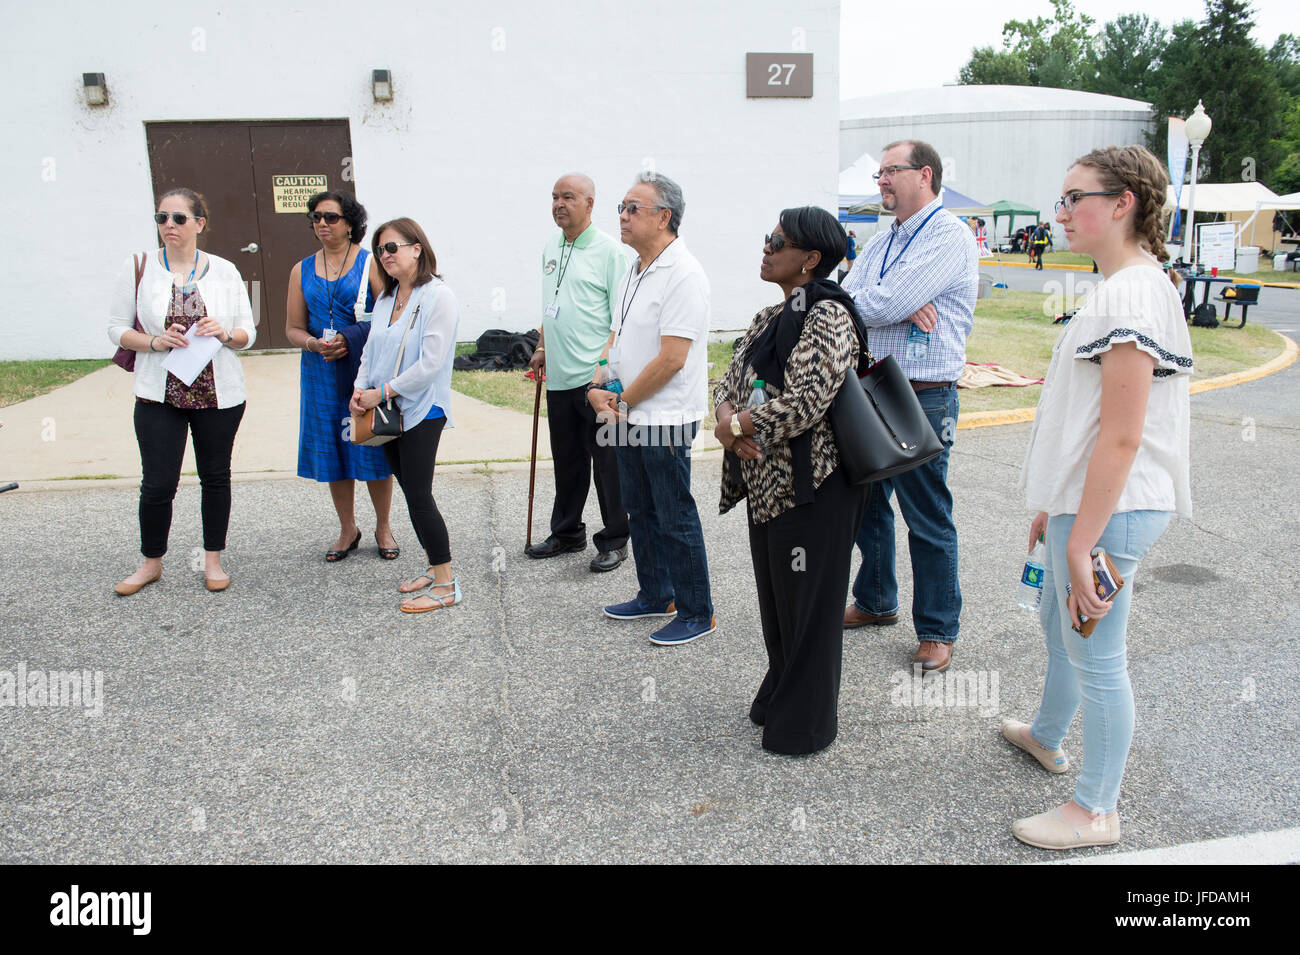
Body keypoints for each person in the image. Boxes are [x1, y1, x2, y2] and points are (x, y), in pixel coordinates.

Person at [1005, 145, 1192, 850]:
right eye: (1061, 198)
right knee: (1061, 625)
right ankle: (1048, 734)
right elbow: (1089, 424)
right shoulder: (1123, 284)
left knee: (1096, 651)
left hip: (1114, 509)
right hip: (1090, 503)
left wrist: (1081, 538)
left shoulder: (1133, 291)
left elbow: (1122, 434)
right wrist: (1056, 506)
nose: (1061, 213)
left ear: (1123, 204)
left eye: (1074, 197)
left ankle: (1095, 809)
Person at [714, 206, 869, 755]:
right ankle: (780, 690)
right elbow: (727, 381)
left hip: (816, 488)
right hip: (766, 485)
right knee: (779, 603)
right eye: (767, 237)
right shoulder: (767, 317)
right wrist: (727, 424)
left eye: (777, 241)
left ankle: (805, 726)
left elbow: (805, 401)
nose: (766, 247)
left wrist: (735, 425)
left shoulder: (829, 316)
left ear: (809, 259)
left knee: (811, 608)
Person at [840, 139, 978, 673]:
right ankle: (876, 601)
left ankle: (938, 629)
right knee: (868, 507)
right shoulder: (883, 238)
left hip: (923, 393)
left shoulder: (949, 236)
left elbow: (880, 302)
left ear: (923, 175)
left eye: (889, 172)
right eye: (878, 173)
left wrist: (894, 302)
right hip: (871, 387)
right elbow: (847, 296)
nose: (881, 181)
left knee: (927, 516)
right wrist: (894, 302)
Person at [587, 171, 715, 646]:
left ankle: (697, 610)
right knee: (638, 508)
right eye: (620, 206)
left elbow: (672, 358)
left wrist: (619, 401)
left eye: (632, 208)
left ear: (664, 217)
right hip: (627, 411)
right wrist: (599, 379)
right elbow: (617, 335)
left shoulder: (683, 273)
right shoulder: (634, 268)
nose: (621, 216)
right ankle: (655, 592)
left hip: (663, 416)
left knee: (673, 512)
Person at [108, 187, 256, 595]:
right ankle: (151, 563)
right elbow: (115, 327)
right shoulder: (138, 266)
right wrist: (155, 341)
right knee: (157, 482)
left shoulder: (225, 270)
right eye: (161, 218)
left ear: (199, 224)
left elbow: (250, 331)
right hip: (160, 393)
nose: (168, 226)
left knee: (215, 476)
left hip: (218, 394)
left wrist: (225, 333)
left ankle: (213, 561)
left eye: (178, 218)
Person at [350, 218, 461, 613]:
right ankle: (434, 568)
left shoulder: (438, 297)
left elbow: (431, 365)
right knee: (411, 493)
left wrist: (380, 392)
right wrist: (359, 390)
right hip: (386, 409)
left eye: (392, 247)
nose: (385, 255)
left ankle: (446, 584)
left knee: (419, 494)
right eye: (380, 250)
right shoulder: (386, 298)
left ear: (417, 248)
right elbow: (370, 351)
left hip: (421, 408)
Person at [525, 173, 630, 572]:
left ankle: (616, 540)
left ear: (590, 204)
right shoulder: (551, 246)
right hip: (560, 378)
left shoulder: (611, 253)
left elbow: (619, 320)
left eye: (568, 197)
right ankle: (567, 533)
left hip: (597, 382)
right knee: (567, 461)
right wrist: (541, 347)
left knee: (609, 464)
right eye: (554, 197)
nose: (559, 204)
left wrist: (603, 370)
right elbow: (552, 305)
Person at [285, 190, 398, 562]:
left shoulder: (371, 263)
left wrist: (350, 339)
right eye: (315, 217)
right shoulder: (300, 269)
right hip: (321, 371)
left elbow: (389, 319)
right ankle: (348, 528)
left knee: (372, 444)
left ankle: (384, 526)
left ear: (350, 223)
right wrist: (314, 345)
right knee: (334, 448)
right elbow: (293, 328)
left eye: (330, 217)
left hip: (362, 369)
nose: (321, 223)